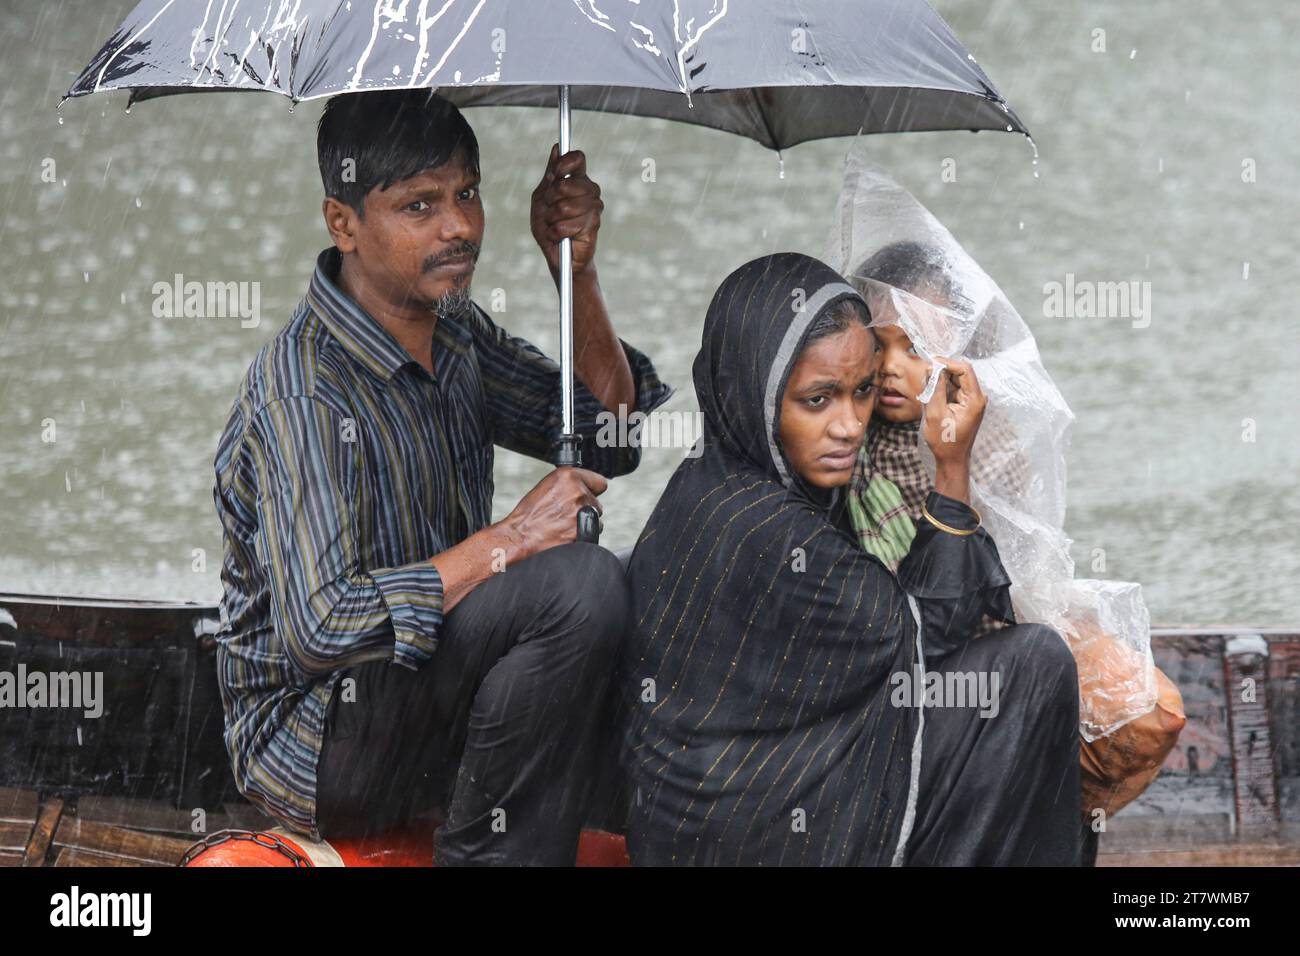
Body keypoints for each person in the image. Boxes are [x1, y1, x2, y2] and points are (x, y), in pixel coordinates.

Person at [211, 90, 673, 865]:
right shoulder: (306, 392)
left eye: (467, 195)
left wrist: (575, 271)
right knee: (578, 588)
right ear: (343, 223)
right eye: (419, 206)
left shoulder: (453, 330)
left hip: (429, 686)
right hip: (320, 736)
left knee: (641, 584)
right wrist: (514, 541)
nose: (458, 226)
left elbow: (609, 436)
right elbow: (323, 630)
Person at [619, 252, 1082, 866]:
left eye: (862, 392)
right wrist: (950, 468)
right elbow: (934, 632)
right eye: (818, 401)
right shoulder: (772, 532)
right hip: (754, 831)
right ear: (752, 390)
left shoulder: (708, 479)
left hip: (708, 813)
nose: (849, 426)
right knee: (1034, 667)